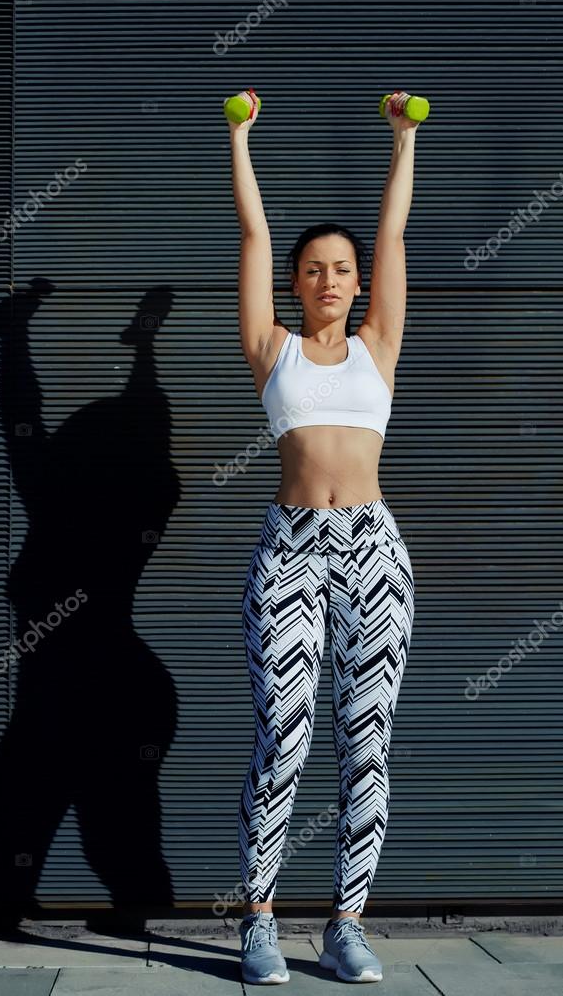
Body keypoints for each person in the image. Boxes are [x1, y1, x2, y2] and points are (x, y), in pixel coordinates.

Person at [228, 89, 419, 984]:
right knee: (284, 735)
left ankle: (347, 924)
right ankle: (258, 920)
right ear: (296, 283)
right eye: (313, 269)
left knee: (366, 742)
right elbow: (253, 236)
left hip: (374, 550)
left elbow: (394, 235)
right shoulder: (273, 349)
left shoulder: (380, 344)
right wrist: (240, 138)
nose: (330, 279)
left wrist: (401, 141)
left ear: (357, 282)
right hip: (291, 552)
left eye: (341, 268)